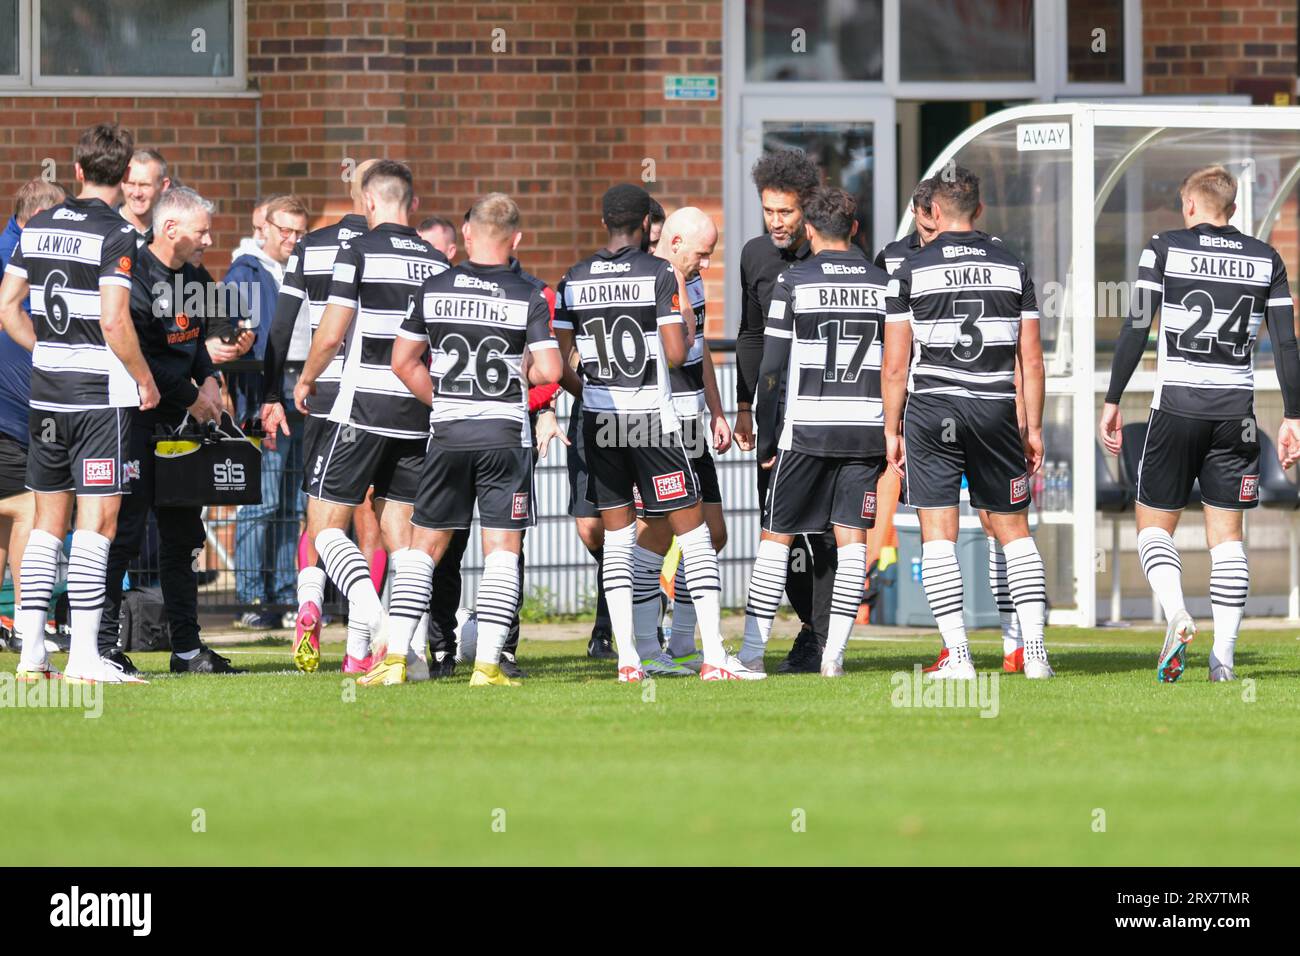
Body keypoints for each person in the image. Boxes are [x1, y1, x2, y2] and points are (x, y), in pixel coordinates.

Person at [1099, 165, 1300, 683]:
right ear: (1232, 210)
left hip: (1177, 409)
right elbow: (1285, 345)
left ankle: (1177, 612)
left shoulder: (1164, 247)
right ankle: (1224, 661)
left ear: (1190, 205)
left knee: (1152, 527)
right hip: (1237, 415)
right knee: (1228, 538)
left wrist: (1113, 397)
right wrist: (1294, 416)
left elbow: (1137, 324)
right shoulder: (1265, 258)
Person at [555, 183, 758, 681]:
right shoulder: (658, 273)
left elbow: (560, 363)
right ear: (649, 226)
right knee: (696, 538)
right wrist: (683, 325)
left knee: (619, 543)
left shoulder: (573, 277)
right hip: (654, 422)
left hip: (602, 423)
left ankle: (630, 660)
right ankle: (712, 657)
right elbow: (674, 352)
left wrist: (594, 396)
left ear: (606, 221)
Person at [367, 192, 563, 686]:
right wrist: (519, 370)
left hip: (449, 434)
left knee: (422, 548)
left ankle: (394, 660)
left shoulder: (433, 287)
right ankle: (488, 666)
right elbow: (552, 369)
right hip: (504, 435)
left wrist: (445, 401)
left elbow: (401, 361)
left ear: (468, 233)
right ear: (516, 239)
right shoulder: (527, 294)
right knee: (501, 551)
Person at [0, 121, 160, 684]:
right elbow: (115, 320)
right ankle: (87, 657)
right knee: (97, 524)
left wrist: (47, 348)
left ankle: (31, 655)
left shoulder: (37, 225)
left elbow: (7, 306)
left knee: (47, 523)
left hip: (47, 396)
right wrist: (143, 378)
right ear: (123, 175)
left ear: (76, 171)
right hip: (99, 399)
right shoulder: (119, 235)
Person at [882, 165, 1052, 680]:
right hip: (996, 406)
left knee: (938, 533)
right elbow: (1033, 359)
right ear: (979, 210)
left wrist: (892, 430)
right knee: (1015, 532)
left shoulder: (909, 269)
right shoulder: (1013, 266)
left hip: (933, 410)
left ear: (932, 212)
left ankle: (957, 656)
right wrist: (1035, 428)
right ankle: (1036, 652)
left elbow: (894, 365)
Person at [293, 160, 448, 681]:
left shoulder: (355, 250)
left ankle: (372, 614)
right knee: (402, 540)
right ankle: (413, 653)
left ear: (367, 203)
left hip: (358, 410)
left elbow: (333, 330)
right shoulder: (436, 261)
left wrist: (307, 378)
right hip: (416, 413)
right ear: (414, 205)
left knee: (324, 528)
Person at [737, 186, 888, 677]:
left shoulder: (795, 281)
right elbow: (898, 366)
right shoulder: (884, 283)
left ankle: (751, 656)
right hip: (865, 434)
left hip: (806, 434)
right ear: (856, 230)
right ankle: (833, 658)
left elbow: (772, 368)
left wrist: (765, 436)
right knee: (852, 543)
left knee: (776, 538)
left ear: (808, 229)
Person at [96, 185, 239, 674]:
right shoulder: (133, 273)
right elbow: (145, 359)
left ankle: (187, 649)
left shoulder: (195, 276)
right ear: (171, 228)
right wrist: (194, 397)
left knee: (182, 540)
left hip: (182, 428)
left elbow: (195, 343)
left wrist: (214, 379)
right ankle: (102, 644)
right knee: (125, 535)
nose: (208, 239)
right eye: (202, 231)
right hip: (137, 421)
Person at [260, 160, 385, 672]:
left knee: (318, 513)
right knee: (368, 516)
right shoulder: (398, 247)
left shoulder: (310, 246)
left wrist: (273, 395)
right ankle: (359, 645)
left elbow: (280, 325)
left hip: (323, 393)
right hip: (383, 395)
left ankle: (307, 603)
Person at [733, 148, 837, 673]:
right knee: (778, 529)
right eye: (768, 210)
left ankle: (821, 637)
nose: (776, 221)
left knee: (824, 534)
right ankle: (810, 628)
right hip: (774, 420)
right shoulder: (753, 255)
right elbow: (750, 336)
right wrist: (745, 405)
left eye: (786, 212)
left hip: (827, 418)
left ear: (807, 208)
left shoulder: (835, 255)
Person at [619, 205, 728, 676]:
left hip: (693, 418)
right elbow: (673, 346)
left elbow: (697, 349)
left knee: (713, 532)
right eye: (701, 255)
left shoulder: (692, 280)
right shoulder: (653, 281)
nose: (705, 265)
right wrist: (677, 284)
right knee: (658, 534)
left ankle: (680, 643)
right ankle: (650, 646)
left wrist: (718, 410)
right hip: (658, 426)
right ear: (676, 243)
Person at [226, 194, 308, 628]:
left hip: (299, 399)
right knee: (261, 501)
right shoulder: (246, 274)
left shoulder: (302, 270)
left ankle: (280, 595)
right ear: (264, 228)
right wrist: (256, 403)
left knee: (290, 505)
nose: (292, 239)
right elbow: (235, 338)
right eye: (285, 231)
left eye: (299, 232)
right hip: (260, 401)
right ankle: (252, 600)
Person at [0, 179, 66, 651]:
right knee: (27, 509)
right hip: (11, 415)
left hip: (20, 414)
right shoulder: (13, 258)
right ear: (37, 220)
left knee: (6, 517)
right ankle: (28, 622)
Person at [118, 148, 171, 248]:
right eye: (131, 184)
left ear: (163, 185)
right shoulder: (104, 227)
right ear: (122, 183)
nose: (137, 193)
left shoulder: (170, 234)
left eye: (144, 185)